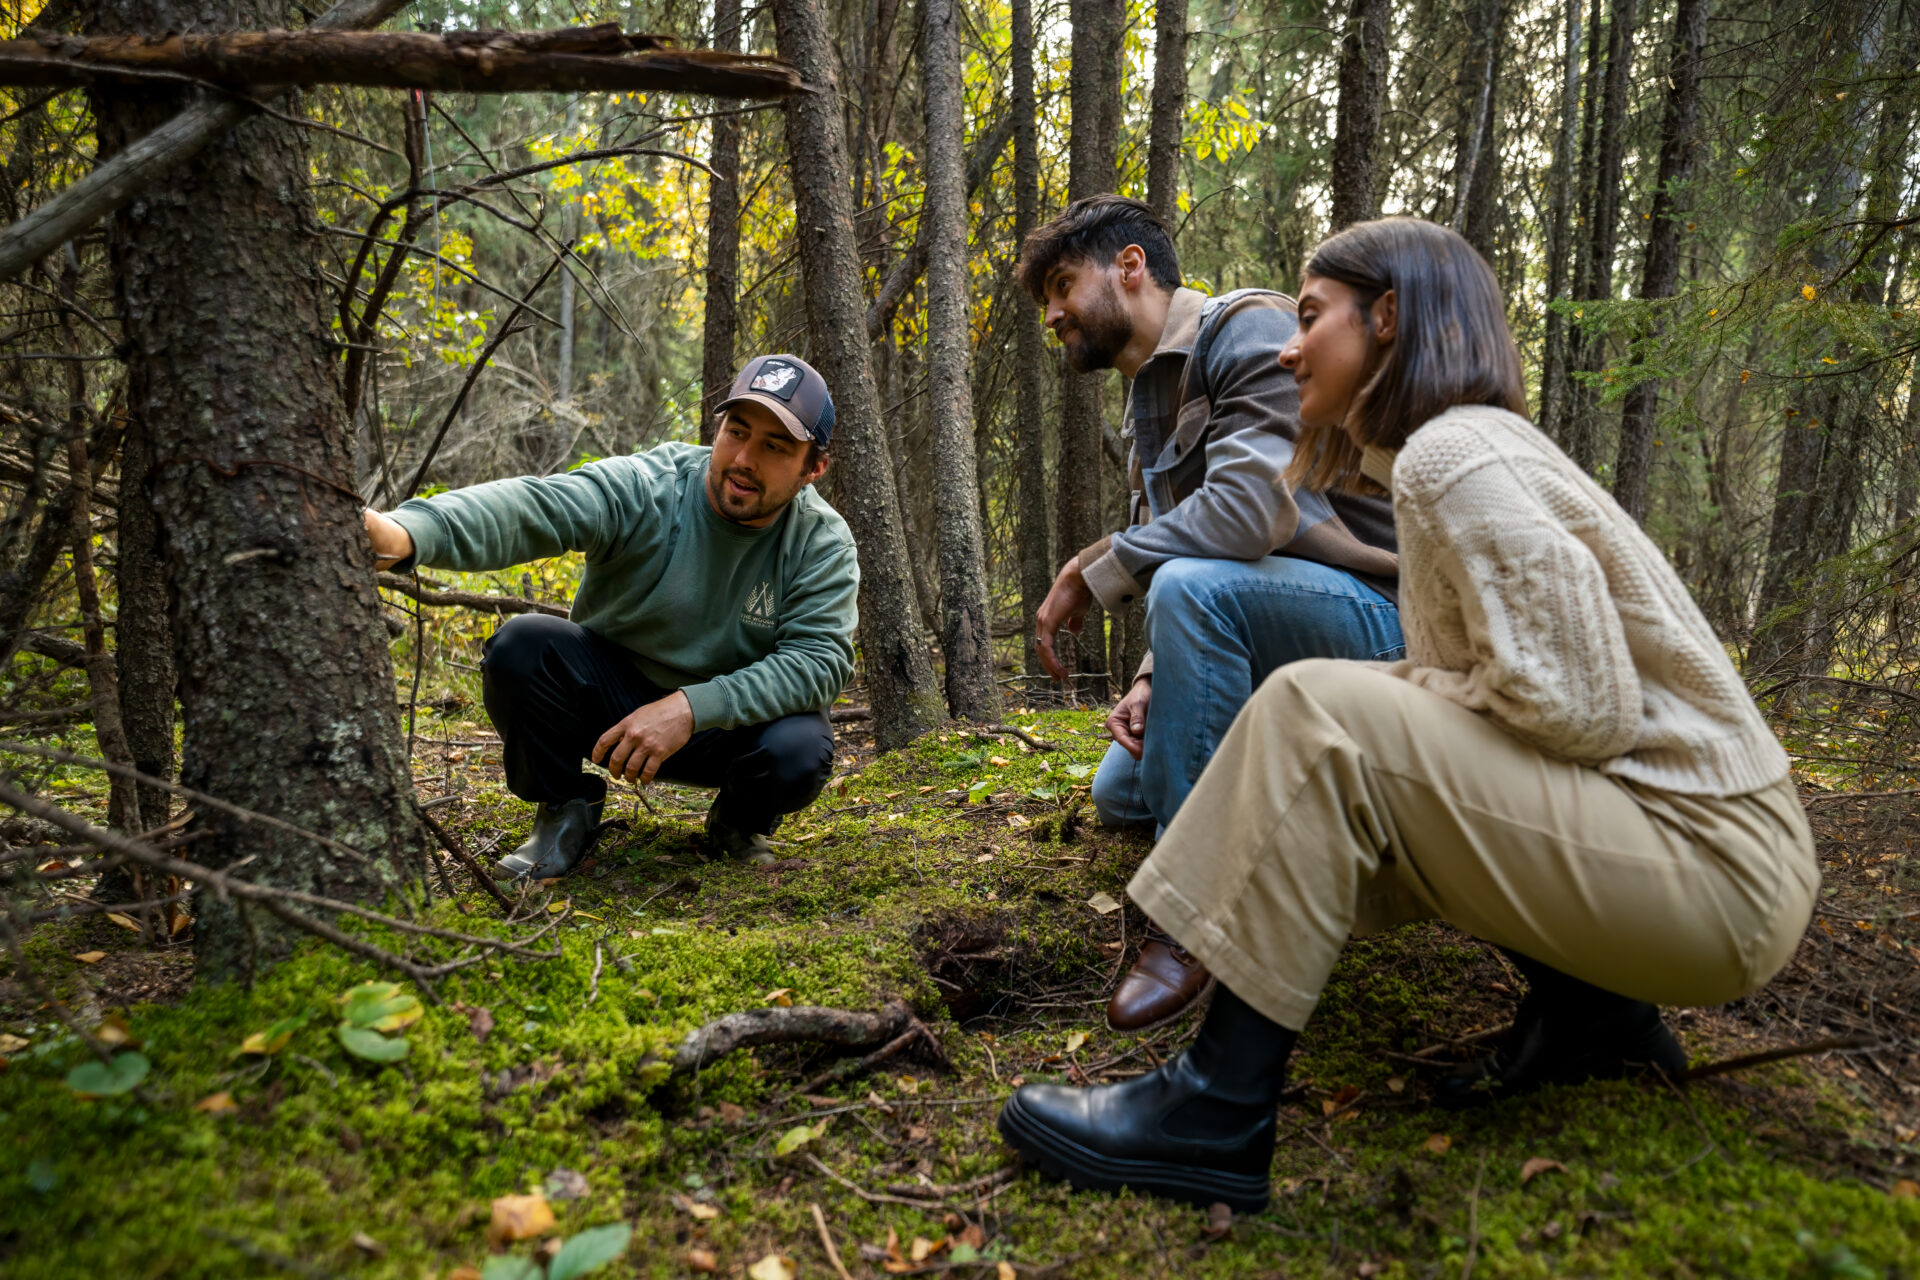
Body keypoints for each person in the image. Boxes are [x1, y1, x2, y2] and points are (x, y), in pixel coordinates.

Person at [997, 218, 1818, 1213]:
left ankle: (1214, 1109)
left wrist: (1377, 709)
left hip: (1717, 864)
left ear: (1386, 319)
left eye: (1310, 317)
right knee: (1332, 734)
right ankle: (1598, 1015)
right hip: (1704, 859)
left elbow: (1579, 711)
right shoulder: (1439, 456)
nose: (1289, 347)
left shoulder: (1452, 457)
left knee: (1316, 717)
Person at [1020, 195, 1403, 1035]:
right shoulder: (1145, 408)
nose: (1051, 315)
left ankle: (1195, 913)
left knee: (1189, 587)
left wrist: (1094, 566)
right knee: (1121, 791)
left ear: (1129, 267)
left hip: (1381, 624)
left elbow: (1249, 516)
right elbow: (1198, 555)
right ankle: (1279, 823)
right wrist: (1153, 677)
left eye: (1062, 286)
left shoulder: (1248, 329)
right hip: (1277, 627)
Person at [364, 354, 859, 879]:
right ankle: (565, 807)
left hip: (725, 731)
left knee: (801, 748)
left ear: (814, 468)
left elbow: (819, 661)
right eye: (736, 432)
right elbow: (538, 507)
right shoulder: (652, 486)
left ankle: (737, 823)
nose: (744, 459)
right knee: (523, 647)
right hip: (610, 708)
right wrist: (410, 532)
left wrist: (690, 708)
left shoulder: (820, 542)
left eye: (774, 447)